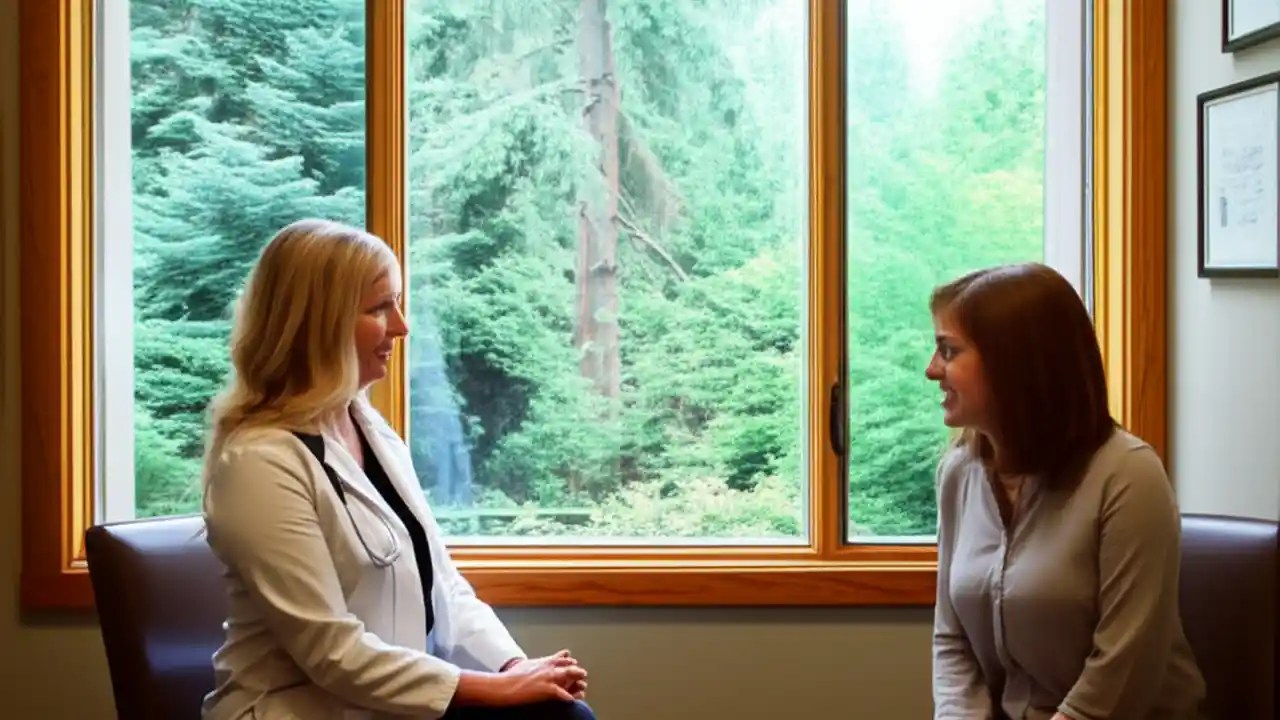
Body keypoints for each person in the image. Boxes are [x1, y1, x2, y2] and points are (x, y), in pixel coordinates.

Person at [200, 219, 595, 720]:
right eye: (379, 308)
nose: (401, 326)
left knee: (559, 714)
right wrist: (491, 691)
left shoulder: (369, 429)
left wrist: (513, 667)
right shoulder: (258, 464)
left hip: (387, 706)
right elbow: (331, 650)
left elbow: (443, 586)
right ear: (320, 322)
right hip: (300, 709)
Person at [927, 263, 1205, 720]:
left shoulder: (1128, 476)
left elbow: (1122, 671)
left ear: (1012, 364)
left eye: (948, 351)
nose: (932, 369)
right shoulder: (959, 473)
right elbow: (952, 640)